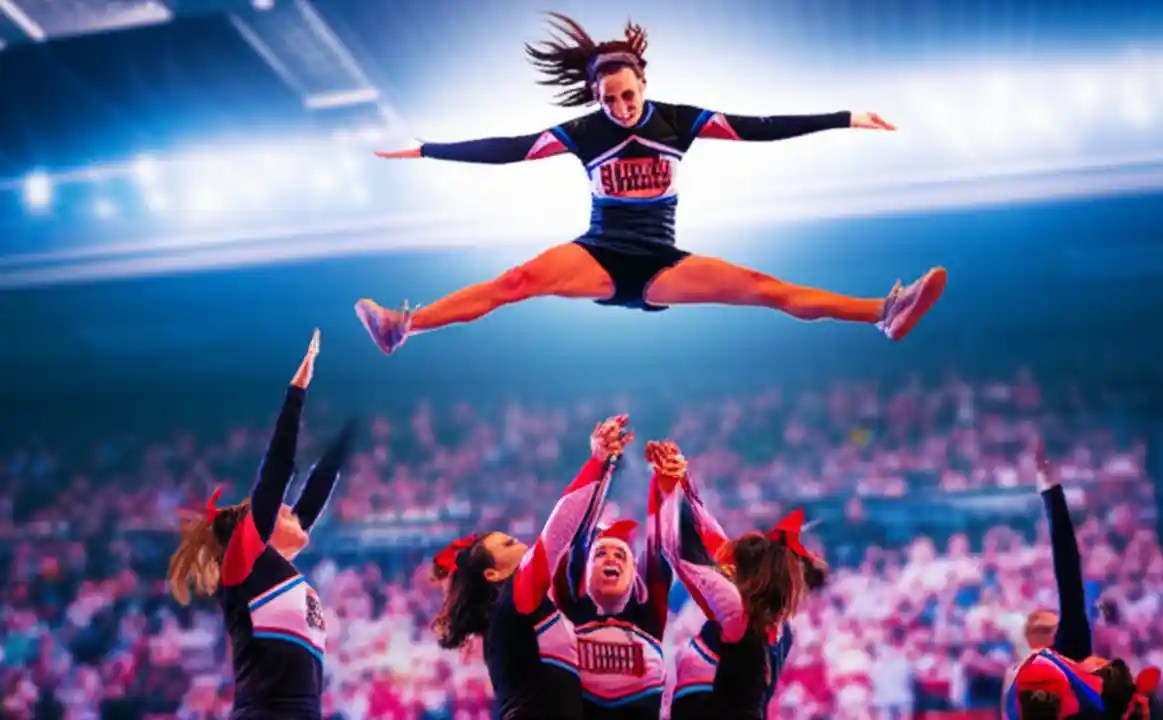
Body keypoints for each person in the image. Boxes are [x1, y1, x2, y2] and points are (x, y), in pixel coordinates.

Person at [356, 13, 946, 354]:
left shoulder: (678, 121)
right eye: (608, 99)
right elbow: (507, 149)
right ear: (596, 97)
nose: (619, 107)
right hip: (598, 253)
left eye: (627, 95)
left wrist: (845, 117)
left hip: (662, 262)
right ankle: (403, 325)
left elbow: (761, 128)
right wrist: (427, 149)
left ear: (643, 83)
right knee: (516, 281)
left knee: (763, 287)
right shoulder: (584, 132)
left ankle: (883, 311)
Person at [167, 329, 355, 719]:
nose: (293, 512)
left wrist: (352, 427)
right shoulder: (244, 565)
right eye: (283, 511)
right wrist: (297, 392)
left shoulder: (270, 568)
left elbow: (321, 481)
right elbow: (277, 471)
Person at [431, 415, 634, 720]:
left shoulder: (522, 610)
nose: (522, 545)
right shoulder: (514, 600)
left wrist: (607, 466)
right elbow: (561, 529)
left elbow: (578, 532)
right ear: (493, 574)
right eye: (509, 544)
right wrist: (597, 461)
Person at [648, 440, 828, 720]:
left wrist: (671, 488)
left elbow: (688, 550)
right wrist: (678, 482)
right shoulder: (757, 617)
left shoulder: (744, 613)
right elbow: (707, 540)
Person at [1005, 441, 1161, 720]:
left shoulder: (1083, 667)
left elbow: (1068, 565)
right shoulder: (1066, 657)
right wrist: (1050, 491)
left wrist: (1051, 491)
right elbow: (1067, 565)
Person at [551, 451, 675, 718]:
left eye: (620, 556)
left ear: (634, 574)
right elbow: (572, 536)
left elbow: (659, 546)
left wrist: (663, 486)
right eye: (600, 554)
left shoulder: (649, 619)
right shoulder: (571, 613)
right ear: (586, 572)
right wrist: (603, 469)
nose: (611, 559)